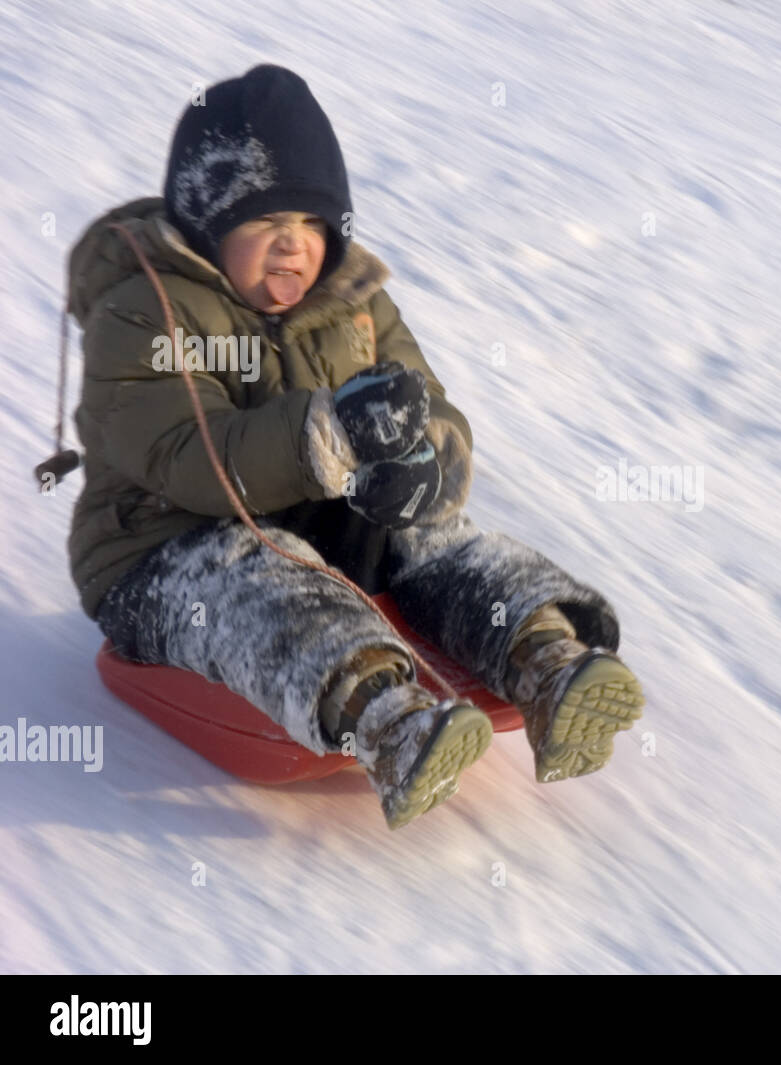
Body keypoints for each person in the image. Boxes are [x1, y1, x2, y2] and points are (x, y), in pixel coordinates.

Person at [65, 64, 644, 829]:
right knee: (260, 576)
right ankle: (388, 721)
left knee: (427, 532)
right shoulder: (146, 314)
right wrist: (331, 435)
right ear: (207, 230)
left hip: (311, 521)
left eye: (310, 225)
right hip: (164, 552)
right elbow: (188, 458)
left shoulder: (355, 303)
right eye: (264, 226)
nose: (291, 248)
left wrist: (423, 465)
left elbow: (432, 407)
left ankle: (544, 658)